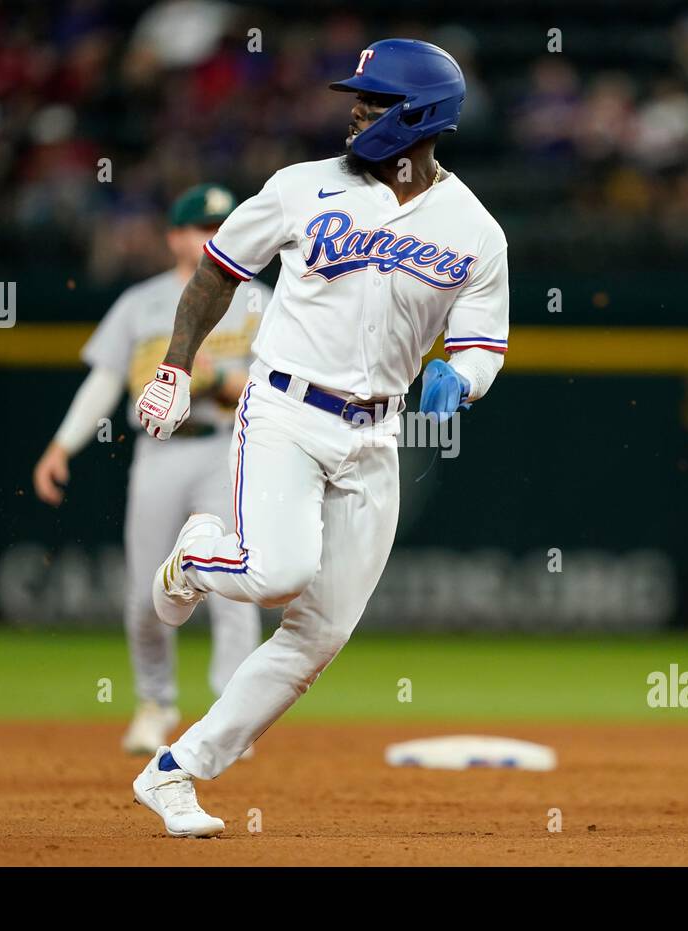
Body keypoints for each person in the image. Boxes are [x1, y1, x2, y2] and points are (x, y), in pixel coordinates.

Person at [127, 38, 510, 838]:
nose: (357, 110)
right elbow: (218, 270)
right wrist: (174, 365)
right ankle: (200, 552)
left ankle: (176, 772)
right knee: (278, 572)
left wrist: (462, 379)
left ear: (424, 115)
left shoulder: (475, 229)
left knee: (319, 636)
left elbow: (480, 344)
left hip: (377, 438)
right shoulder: (302, 187)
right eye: (357, 96)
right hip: (285, 411)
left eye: (375, 100)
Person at [33, 184, 269, 755]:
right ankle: (154, 703)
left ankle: (231, 715)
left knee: (234, 586)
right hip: (158, 451)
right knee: (144, 590)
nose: (212, 237)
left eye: (221, 227)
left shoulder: (260, 300)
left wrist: (219, 381)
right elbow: (106, 380)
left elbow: (274, 391)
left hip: (227, 448)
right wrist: (63, 444)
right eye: (201, 228)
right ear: (175, 237)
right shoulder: (140, 303)